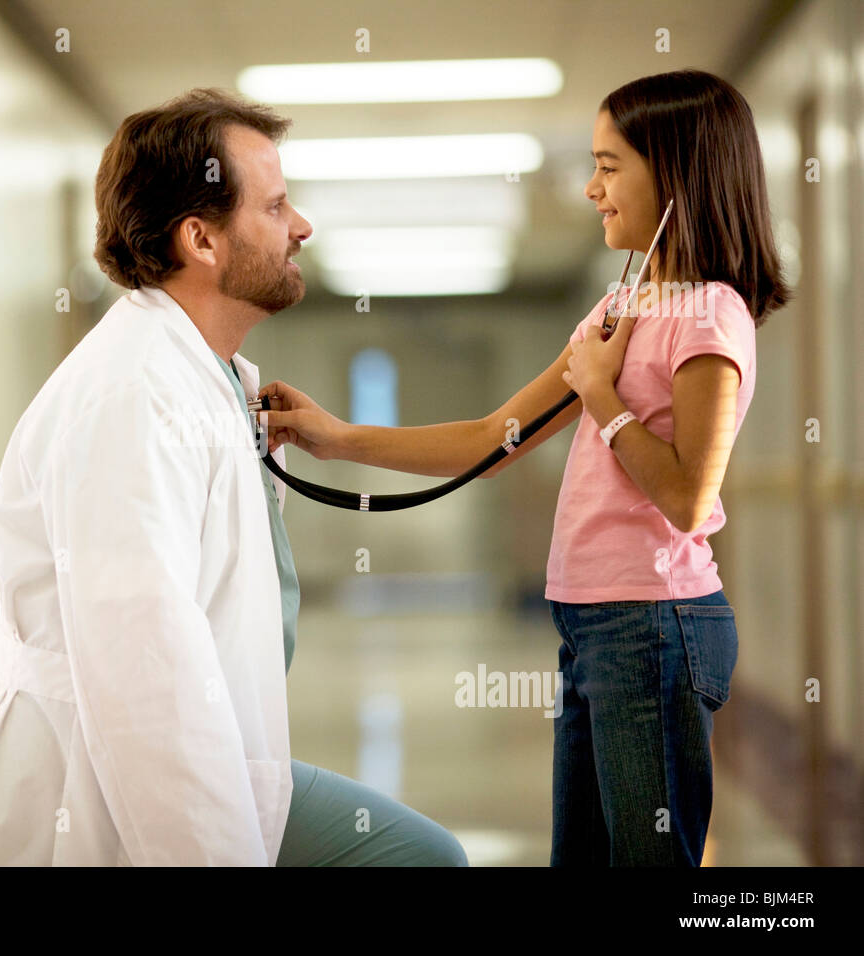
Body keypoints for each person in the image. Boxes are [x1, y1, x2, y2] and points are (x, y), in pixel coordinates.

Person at [257, 70, 790, 866]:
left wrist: (605, 399)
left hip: (653, 624)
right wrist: (335, 437)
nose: (590, 188)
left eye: (610, 166)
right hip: (591, 623)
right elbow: (488, 439)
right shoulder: (618, 311)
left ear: (675, 172)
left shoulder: (709, 311)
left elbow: (687, 497)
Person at [0, 88, 466, 866]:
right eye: (277, 206)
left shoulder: (208, 375)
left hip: (223, 750)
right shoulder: (134, 396)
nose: (302, 226)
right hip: (107, 773)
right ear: (202, 240)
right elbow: (147, 674)